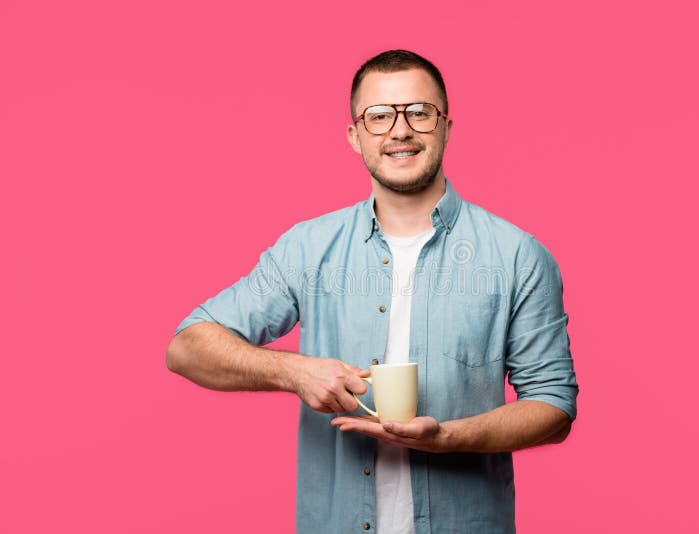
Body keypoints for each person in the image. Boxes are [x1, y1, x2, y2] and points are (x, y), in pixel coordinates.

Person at [166, 49, 578, 534]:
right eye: (379, 116)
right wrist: (293, 370)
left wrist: (447, 437)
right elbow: (187, 346)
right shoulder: (308, 249)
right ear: (355, 136)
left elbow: (554, 407)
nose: (399, 131)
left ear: (445, 127)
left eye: (419, 113)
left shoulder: (517, 256)